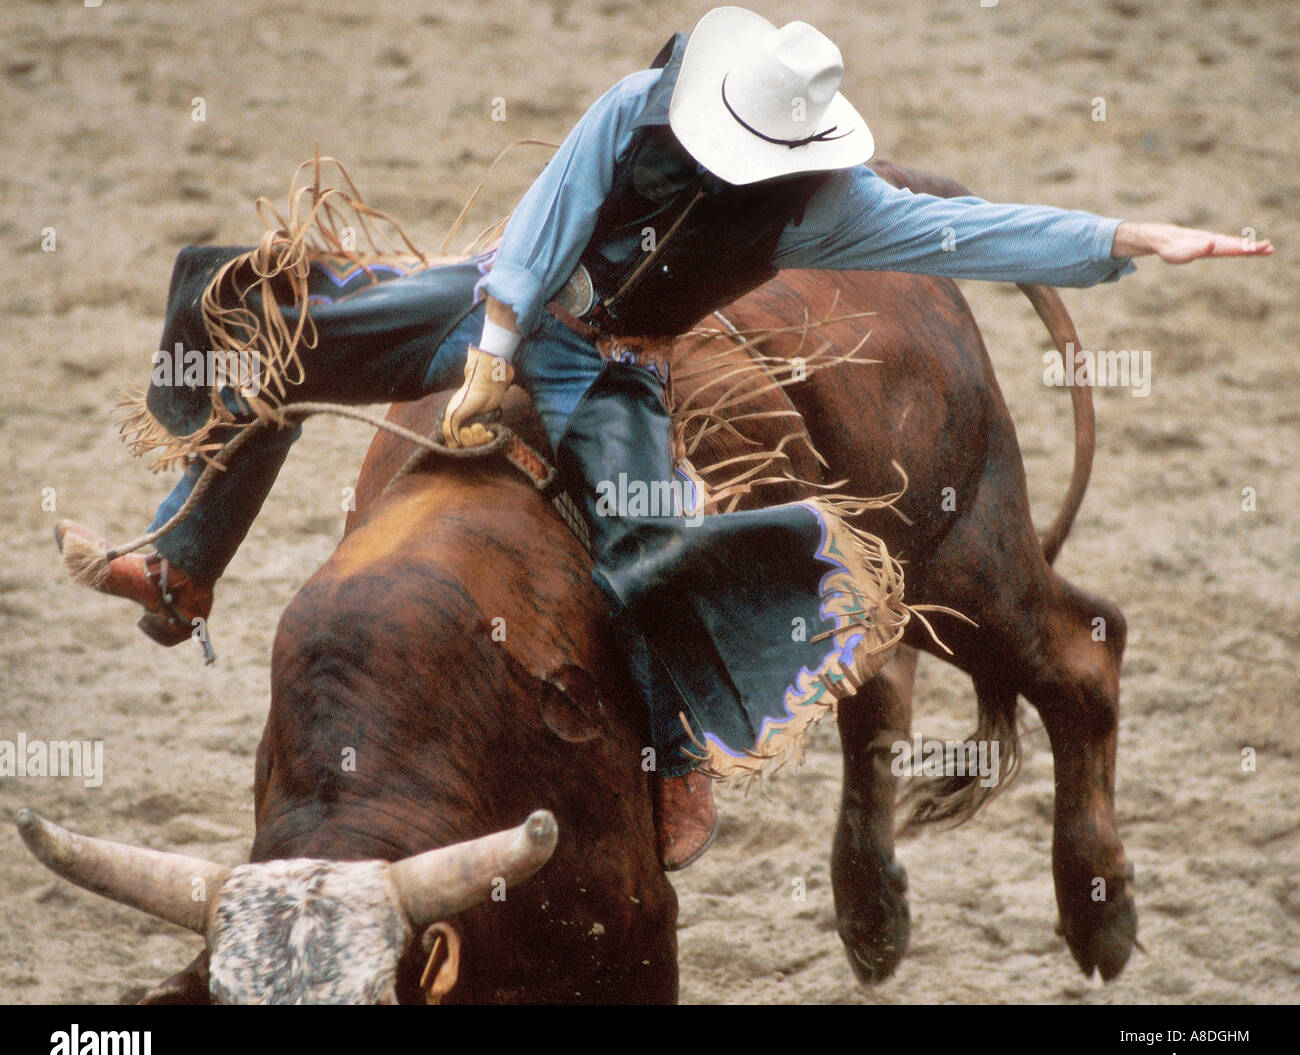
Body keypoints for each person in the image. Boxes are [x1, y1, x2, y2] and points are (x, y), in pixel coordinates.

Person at [56, 7, 1270, 870]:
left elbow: (975, 235)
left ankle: (674, 758)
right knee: (270, 312)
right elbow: (541, 230)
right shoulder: (632, 116)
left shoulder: (824, 204)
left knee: (654, 544)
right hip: (500, 305)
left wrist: (1122, 235)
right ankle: (181, 556)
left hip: (611, 364)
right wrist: (486, 349)